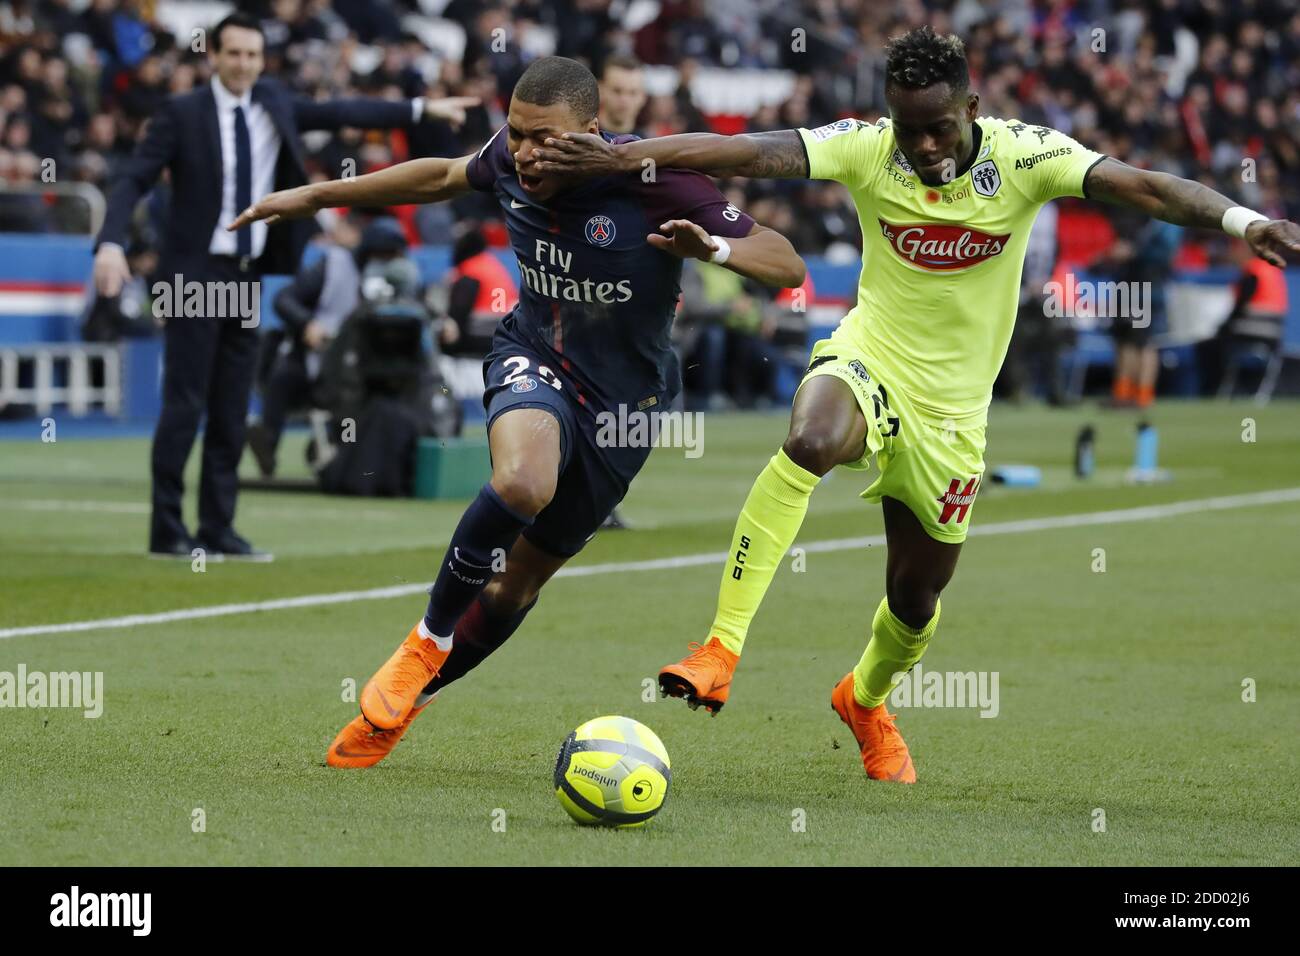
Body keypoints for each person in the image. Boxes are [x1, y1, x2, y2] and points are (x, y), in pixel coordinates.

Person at [534, 25, 1300, 783]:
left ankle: (864, 700)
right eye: (909, 131)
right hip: (870, 360)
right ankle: (720, 648)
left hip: (955, 417)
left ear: (970, 106)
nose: (924, 147)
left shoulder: (1027, 156)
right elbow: (752, 150)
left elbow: (1149, 187)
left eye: (938, 129)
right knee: (810, 438)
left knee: (916, 595)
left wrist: (1247, 220)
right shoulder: (871, 147)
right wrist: (632, 155)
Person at [231, 55, 805, 768]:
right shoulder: (507, 155)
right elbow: (440, 175)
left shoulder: (656, 183)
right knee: (523, 481)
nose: (525, 153)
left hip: (627, 404)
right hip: (535, 353)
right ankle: (426, 640)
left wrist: (714, 248)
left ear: (593, 132)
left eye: (545, 138)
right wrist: (314, 197)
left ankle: (407, 705)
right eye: (517, 133)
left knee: (513, 586)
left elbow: (786, 262)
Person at [91, 11, 477, 560]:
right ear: (214, 55)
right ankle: (167, 528)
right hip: (192, 275)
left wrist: (418, 108)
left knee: (230, 408)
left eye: (253, 54)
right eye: (234, 53)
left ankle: (219, 527)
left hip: (247, 276)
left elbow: (342, 109)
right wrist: (110, 242)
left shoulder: (274, 103)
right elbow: (133, 178)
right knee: (184, 403)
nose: (244, 64)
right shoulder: (182, 113)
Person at [247, 216, 410, 477]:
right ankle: (267, 442)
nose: (387, 260)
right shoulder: (334, 265)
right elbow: (284, 299)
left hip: (365, 370)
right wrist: (307, 324)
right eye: (384, 254)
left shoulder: (398, 279)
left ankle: (358, 459)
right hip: (319, 364)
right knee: (284, 375)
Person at [597, 53, 647, 137]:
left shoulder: (651, 146)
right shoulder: (580, 138)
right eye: (617, 91)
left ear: (643, 97)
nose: (624, 100)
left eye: (633, 93)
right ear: (600, 90)